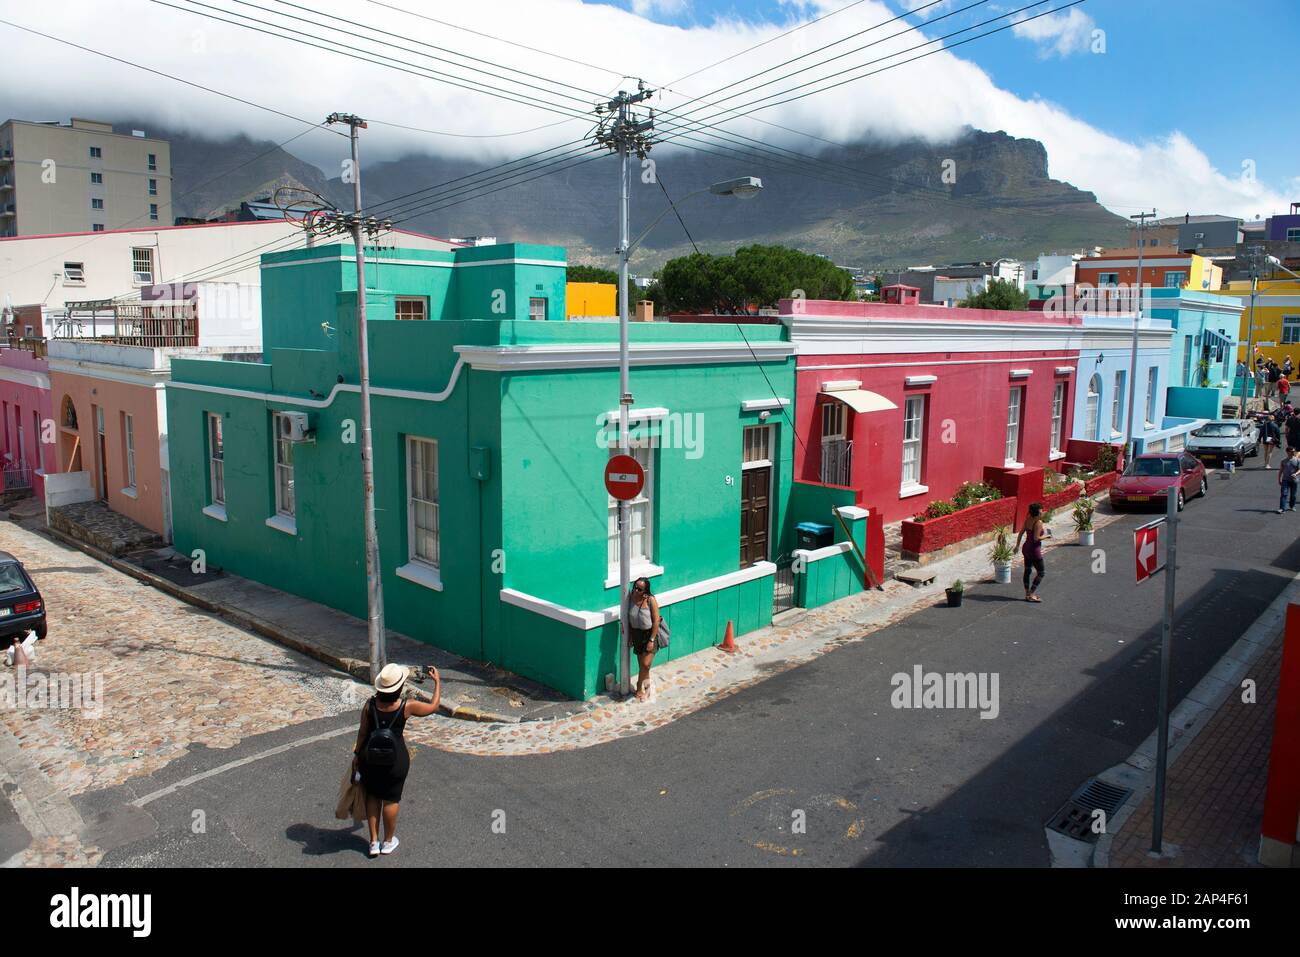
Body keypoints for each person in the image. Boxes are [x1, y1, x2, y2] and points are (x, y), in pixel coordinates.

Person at [353, 662, 441, 858]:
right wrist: (437, 682)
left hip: (371, 758)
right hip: (396, 760)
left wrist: (357, 755)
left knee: (373, 796)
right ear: (399, 687)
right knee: (391, 799)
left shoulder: (369, 705)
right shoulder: (406, 706)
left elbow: (362, 733)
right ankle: (388, 841)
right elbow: (434, 706)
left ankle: (373, 842)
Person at [626, 576, 661, 702]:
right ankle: (647, 688)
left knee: (646, 664)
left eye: (639, 589)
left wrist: (652, 640)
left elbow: (656, 620)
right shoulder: (630, 599)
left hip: (649, 635)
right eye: (635, 587)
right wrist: (630, 637)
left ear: (645, 591)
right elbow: (629, 621)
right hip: (636, 635)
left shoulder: (650, 600)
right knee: (643, 666)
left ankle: (638, 686)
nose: (636, 591)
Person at [1015, 502, 1049, 603]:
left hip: (1026, 548)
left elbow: (1021, 533)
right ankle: (1031, 594)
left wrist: (1017, 545)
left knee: (1027, 570)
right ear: (1038, 513)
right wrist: (1047, 536)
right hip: (1034, 550)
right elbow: (1036, 538)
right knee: (1041, 572)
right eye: (1041, 511)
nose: (1042, 512)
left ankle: (1026, 593)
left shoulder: (1028, 519)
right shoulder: (1038, 522)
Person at [1279, 447, 1300, 513]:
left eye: (1294, 451)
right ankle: (1282, 508)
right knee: (1284, 494)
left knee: (1293, 495)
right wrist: (1279, 479)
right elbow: (1281, 471)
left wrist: (1295, 474)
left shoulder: (1297, 460)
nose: (1293, 452)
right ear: (1287, 452)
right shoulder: (1283, 461)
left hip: (1294, 480)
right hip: (1285, 480)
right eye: (1292, 451)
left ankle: (1292, 506)